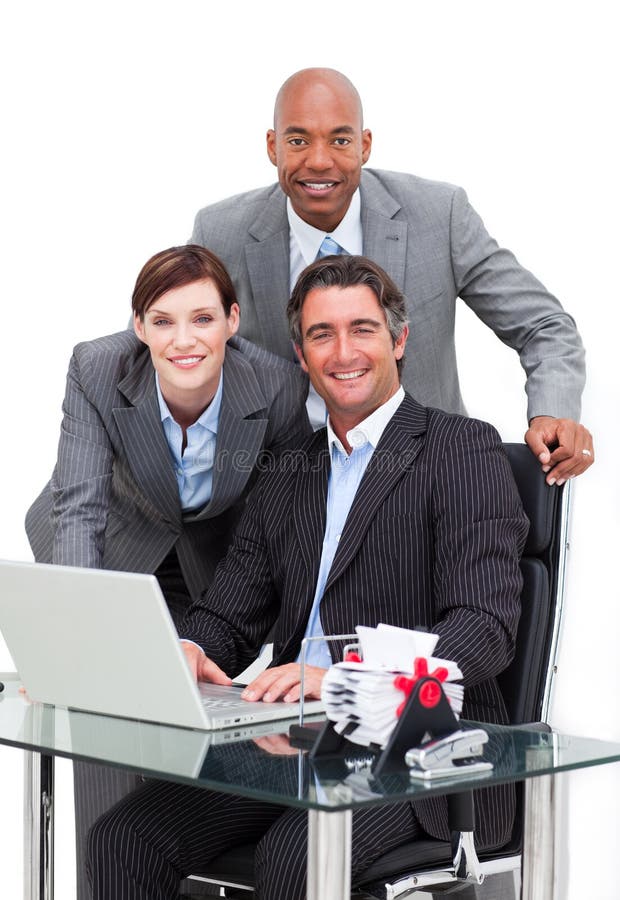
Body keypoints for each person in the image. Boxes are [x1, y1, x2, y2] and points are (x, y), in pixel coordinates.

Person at [87, 255, 529, 900]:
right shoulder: (289, 467)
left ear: (399, 339)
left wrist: (346, 679)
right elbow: (230, 607)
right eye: (322, 334)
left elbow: (483, 627)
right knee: (123, 837)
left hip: (420, 753)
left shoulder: (460, 448)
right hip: (294, 743)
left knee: (298, 855)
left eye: (363, 329)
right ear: (300, 353)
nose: (343, 351)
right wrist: (187, 649)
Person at [25, 243, 311, 899]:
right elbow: (80, 509)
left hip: (204, 563)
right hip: (108, 550)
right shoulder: (97, 368)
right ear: (139, 328)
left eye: (203, 319)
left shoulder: (275, 388)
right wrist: (75, 650)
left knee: (187, 731)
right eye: (162, 321)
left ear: (233, 321)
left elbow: (287, 518)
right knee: (100, 731)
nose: (183, 340)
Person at [191, 66, 594, 485]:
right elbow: (157, 345)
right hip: (283, 484)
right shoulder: (222, 232)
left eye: (340, 140)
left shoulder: (441, 215)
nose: (319, 160)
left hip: (424, 478)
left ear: (365, 146)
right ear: (273, 147)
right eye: (298, 141)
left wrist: (552, 413)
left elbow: (544, 326)